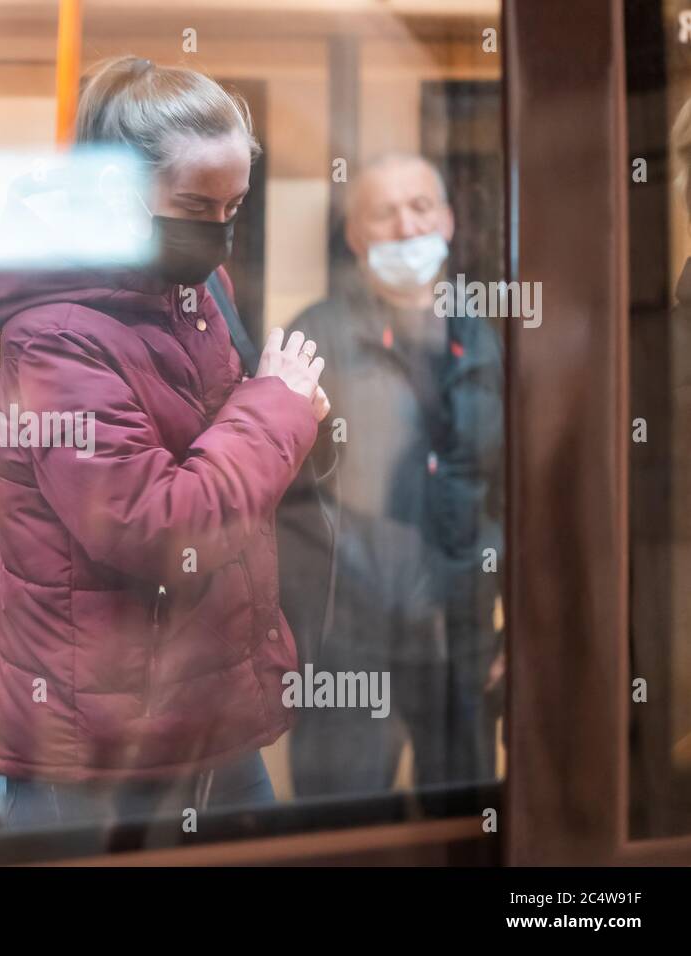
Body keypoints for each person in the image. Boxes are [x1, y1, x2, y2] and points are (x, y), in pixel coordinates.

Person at [0, 56, 329, 830]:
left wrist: (302, 424)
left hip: (206, 710)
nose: (219, 233)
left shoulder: (191, 288)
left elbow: (225, 450)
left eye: (234, 207)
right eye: (197, 205)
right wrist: (275, 411)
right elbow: (162, 530)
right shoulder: (55, 334)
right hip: (100, 748)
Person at [276, 153, 504, 807]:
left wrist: (508, 623)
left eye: (421, 207)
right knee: (341, 827)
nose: (407, 227)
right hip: (348, 644)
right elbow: (281, 501)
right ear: (355, 237)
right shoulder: (315, 338)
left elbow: (511, 488)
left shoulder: (484, 334)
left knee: (466, 822)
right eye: (384, 212)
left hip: (459, 636)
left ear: (449, 219)